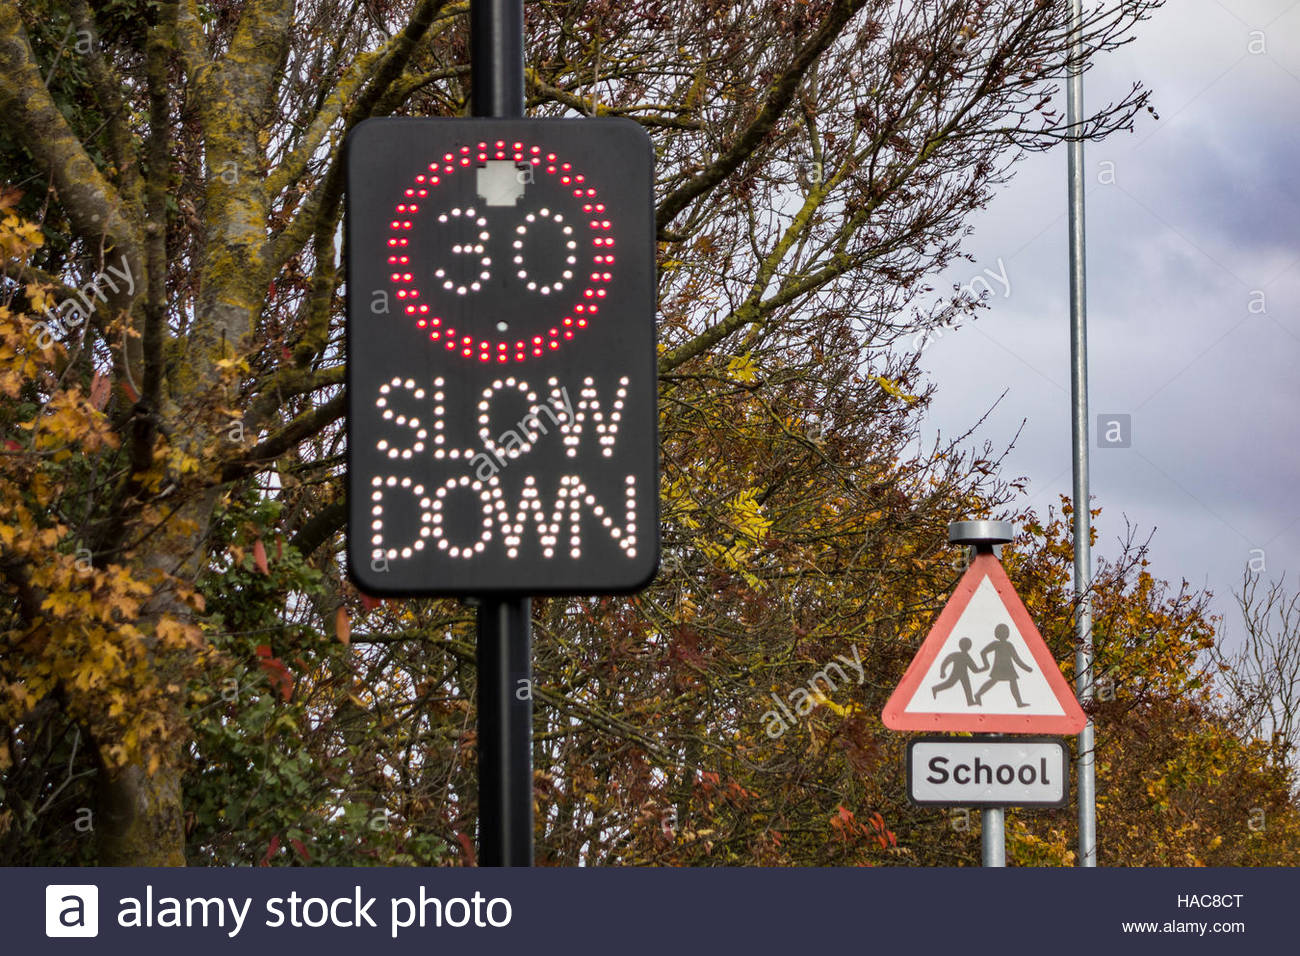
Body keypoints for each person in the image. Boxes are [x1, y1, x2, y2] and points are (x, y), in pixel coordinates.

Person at [973, 623, 1034, 707]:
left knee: (1011, 682)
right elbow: (983, 652)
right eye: (1003, 632)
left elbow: (1016, 659)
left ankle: (1019, 703)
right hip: (999, 667)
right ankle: (978, 694)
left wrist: (1026, 668)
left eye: (1005, 632)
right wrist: (986, 664)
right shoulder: (996, 644)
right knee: (995, 681)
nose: (1005, 634)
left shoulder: (1009, 645)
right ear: (998, 634)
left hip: (1008, 667)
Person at [931, 637, 984, 705]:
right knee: (950, 684)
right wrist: (942, 671)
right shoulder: (957, 655)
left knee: (967, 686)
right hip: (956, 673)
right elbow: (946, 661)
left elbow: (974, 669)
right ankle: (935, 689)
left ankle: (970, 701)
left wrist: (984, 668)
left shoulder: (965, 656)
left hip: (964, 674)